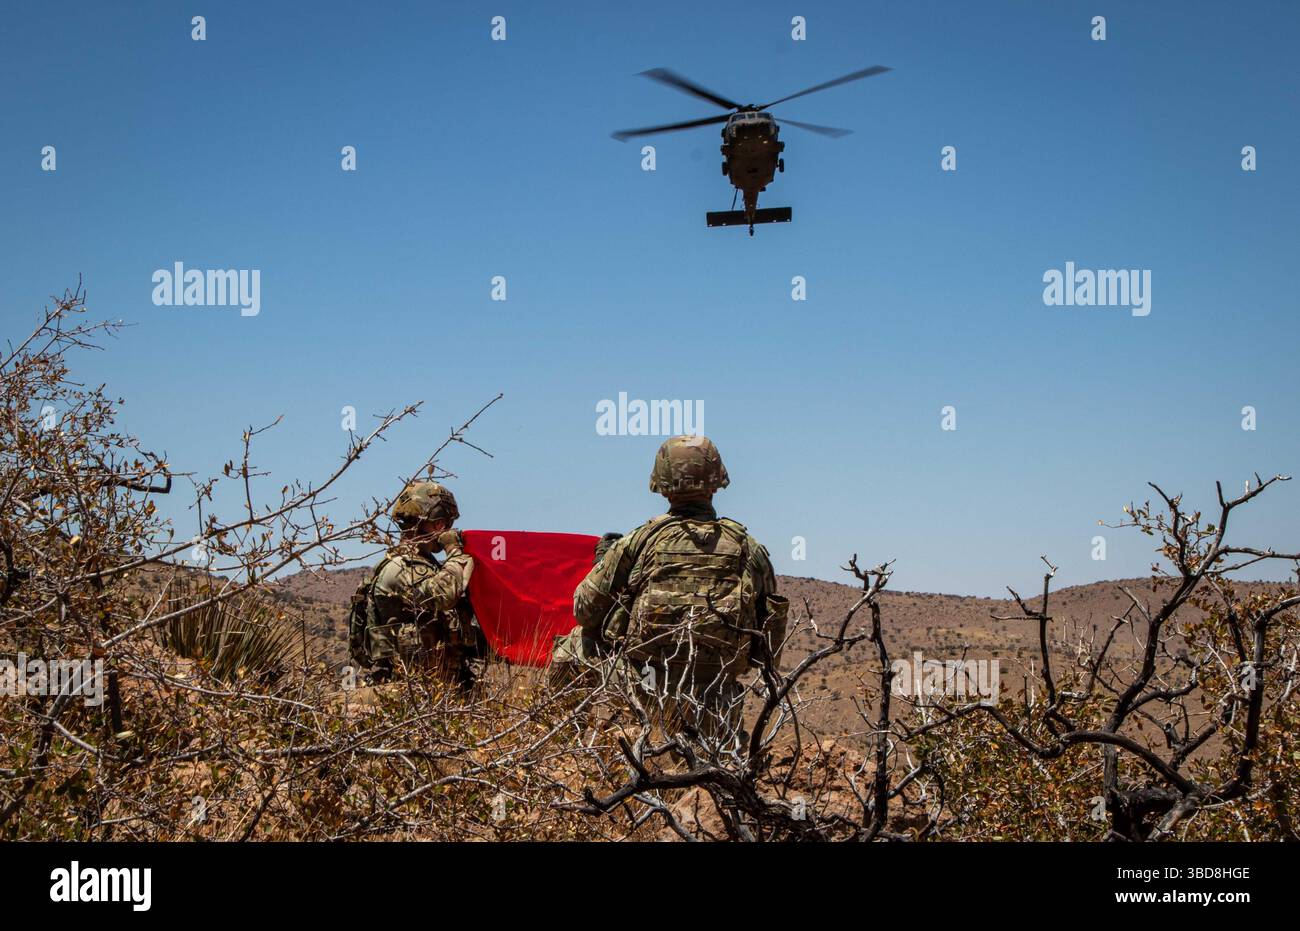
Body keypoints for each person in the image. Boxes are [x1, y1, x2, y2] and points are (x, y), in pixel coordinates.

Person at [553, 435, 789, 744]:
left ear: (662, 486)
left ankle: (560, 745)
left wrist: (604, 566)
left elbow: (584, 612)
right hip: (716, 704)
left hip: (646, 691)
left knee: (575, 644)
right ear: (716, 484)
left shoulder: (640, 540)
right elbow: (768, 654)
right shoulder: (749, 549)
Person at [348, 480, 483, 689]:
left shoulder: (429, 567)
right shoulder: (399, 568)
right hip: (409, 692)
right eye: (442, 523)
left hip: (441, 688)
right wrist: (455, 551)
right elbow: (442, 595)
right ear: (431, 522)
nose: (446, 529)